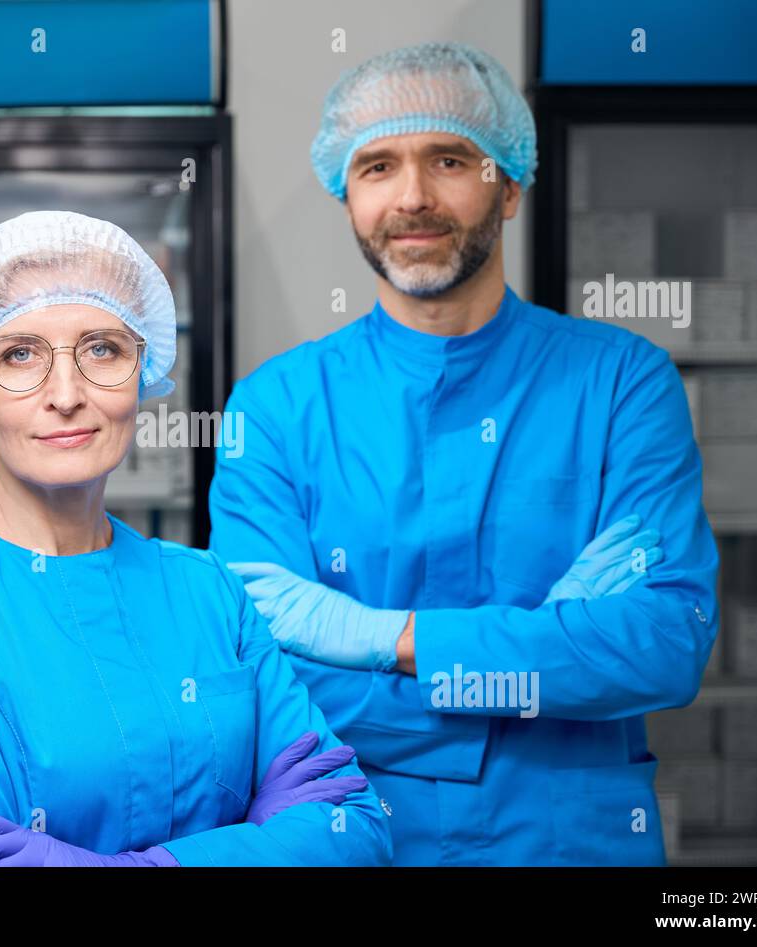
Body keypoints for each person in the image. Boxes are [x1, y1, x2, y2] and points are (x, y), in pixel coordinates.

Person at [209, 43, 720, 865]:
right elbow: (268, 684)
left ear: (509, 183)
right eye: (377, 166)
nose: (412, 198)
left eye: (449, 159)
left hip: (571, 841)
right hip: (356, 832)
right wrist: (552, 645)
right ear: (346, 195)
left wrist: (383, 638)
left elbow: (662, 646)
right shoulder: (276, 407)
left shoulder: (623, 382)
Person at [0, 210, 392, 867]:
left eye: (102, 348)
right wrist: (258, 841)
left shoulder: (209, 590)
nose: (67, 394)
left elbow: (351, 828)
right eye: (20, 354)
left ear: (145, 368)